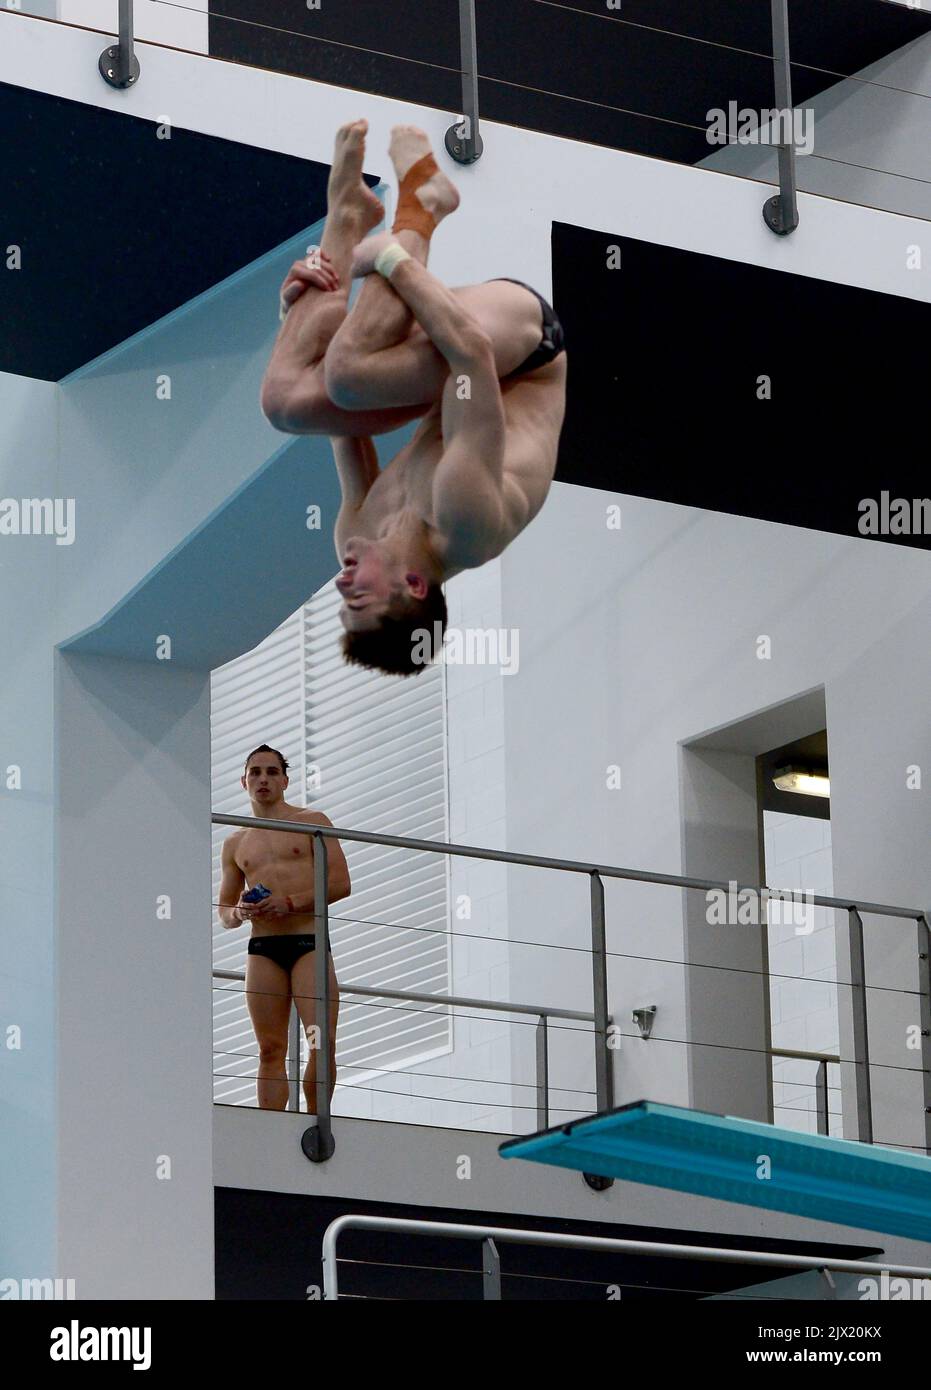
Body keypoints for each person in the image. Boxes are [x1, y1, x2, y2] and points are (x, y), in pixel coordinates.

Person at [260, 120, 567, 676]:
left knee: (286, 402)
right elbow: (470, 355)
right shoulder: (466, 522)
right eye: (359, 597)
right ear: (414, 583)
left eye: (341, 600)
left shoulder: (356, 533)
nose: (342, 582)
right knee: (350, 374)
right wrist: (389, 260)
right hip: (523, 350)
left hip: (454, 381)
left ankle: (347, 214)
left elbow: (344, 425)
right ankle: (420, 207)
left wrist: (296, 319)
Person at [217, 744, 351, 1112]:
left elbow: (340, 884)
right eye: (255, 772)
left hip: (307, 942)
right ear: (244, 781)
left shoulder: (312, 822)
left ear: (285, 781)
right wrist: (241, 912)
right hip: (264, 949)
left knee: (319, 1039)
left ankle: (316, 1121)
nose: (263, 779)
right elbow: (224, 911)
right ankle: (270, 1129)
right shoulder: (235, 842)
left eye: (271, 772)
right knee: (269, 1048)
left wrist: (289, 902)